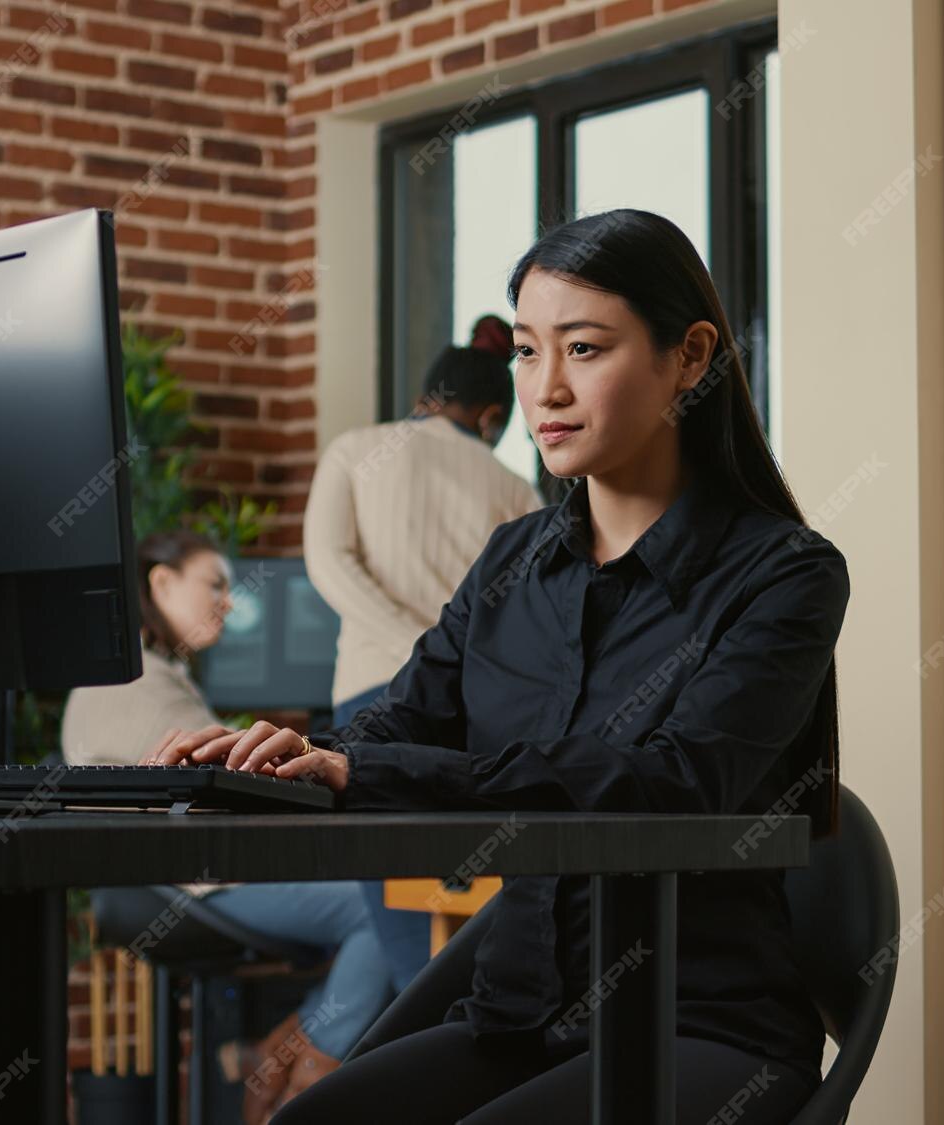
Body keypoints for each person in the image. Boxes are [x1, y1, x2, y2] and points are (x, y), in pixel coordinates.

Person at [144, 208, 848, 1124]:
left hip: (698, 1025)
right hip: (517, 1017)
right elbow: (400, 724)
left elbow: (676, 782)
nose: (545, 388)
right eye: (524, 351)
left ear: (689, 357)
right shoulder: (512, 561)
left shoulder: (785, 573)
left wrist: (369, 769)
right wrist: (283, 760)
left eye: (584, 348)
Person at [63, 531, 421, 1124]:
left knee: (377, 909)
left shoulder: (145, 677)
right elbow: (216, 792)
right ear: (161, 583)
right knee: (379, 905)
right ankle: (304, 1088)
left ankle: (280, 1059)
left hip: (165, 876)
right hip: (189, 879)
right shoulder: (142, 684)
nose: (228, 602)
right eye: (215, 585)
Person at [303, 315, 541, 730]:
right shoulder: (517, 489)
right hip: (471, 696)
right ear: (490, 418)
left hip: (373, 687)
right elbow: (530, 607)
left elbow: (328, 562)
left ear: (423, 399)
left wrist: (415, 647)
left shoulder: (353, 450)